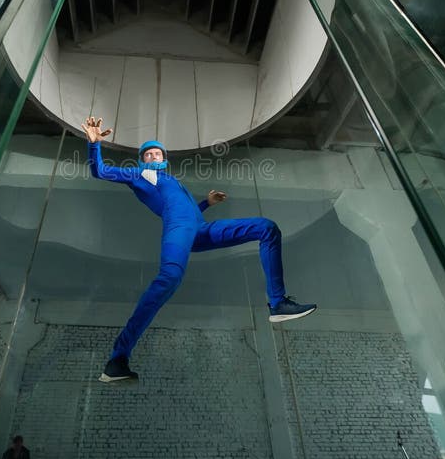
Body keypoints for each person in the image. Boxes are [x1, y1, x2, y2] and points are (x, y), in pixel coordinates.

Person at [82, 116, 317, 383]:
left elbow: (189, 212)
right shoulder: (139, 174)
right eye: (148, 153)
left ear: (164, 158)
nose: (154, 155)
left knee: (266, 227)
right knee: (168, 279)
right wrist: (93, 145)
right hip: (177, 231)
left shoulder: (172, 181)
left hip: (200, 229)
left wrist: (205, 203)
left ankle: (278, 304)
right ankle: (117, 359)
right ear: (142, 160)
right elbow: (99, 170)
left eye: (158, 152)